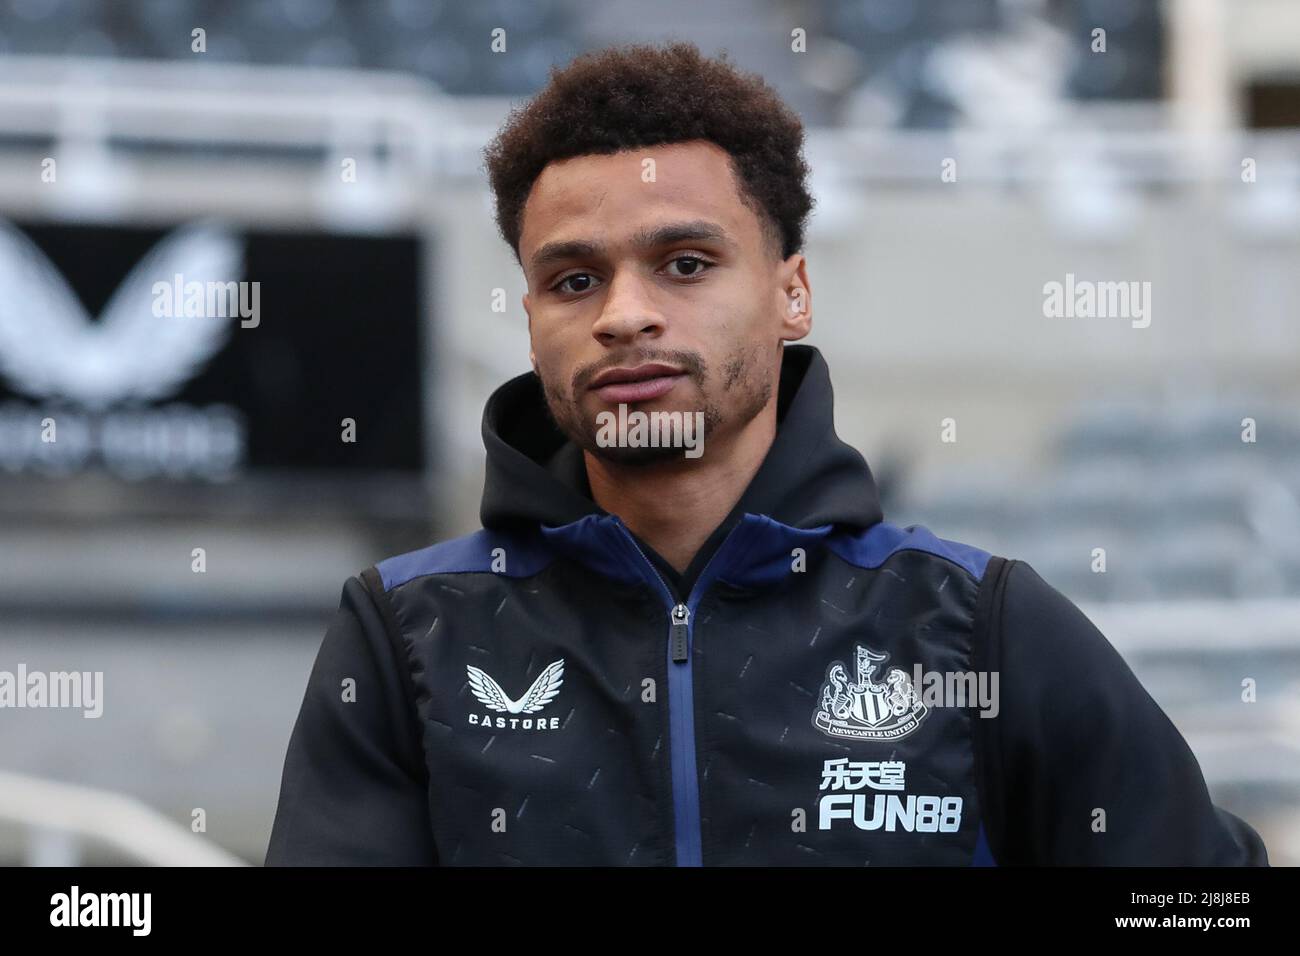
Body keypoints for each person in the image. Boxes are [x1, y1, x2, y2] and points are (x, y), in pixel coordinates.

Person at [266, 41, 1267, 866]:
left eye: (685, 264)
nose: (624, 314)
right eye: (573, 279)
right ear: (530, 320)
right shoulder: (405, 637)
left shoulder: (980, 627)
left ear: (791, 291)